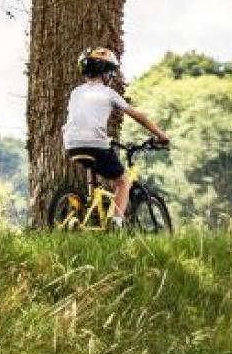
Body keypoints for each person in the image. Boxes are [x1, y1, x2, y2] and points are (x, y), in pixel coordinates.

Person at [62, 47, 169, 224]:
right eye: (111, 71)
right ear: (105, 72)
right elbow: (139, 116)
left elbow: (82, 118)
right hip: (95, 144)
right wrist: (161, 135)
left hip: (72, 144)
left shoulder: (76, 92)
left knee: (95, 163)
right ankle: (117, 224)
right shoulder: (108, 93)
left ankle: (92, 203)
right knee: (123, 182)